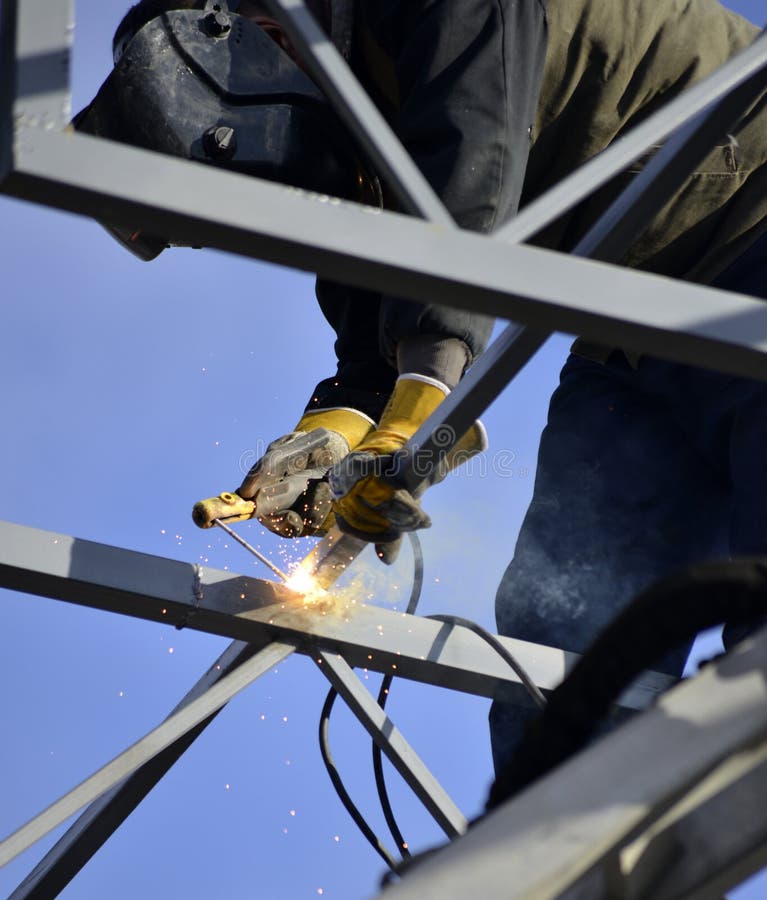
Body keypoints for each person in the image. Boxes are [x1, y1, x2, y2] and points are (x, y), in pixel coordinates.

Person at [117, 0, 767, 773]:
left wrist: (426, 390)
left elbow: (473, 146)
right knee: (557, 650)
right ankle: (549, 849)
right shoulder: (353, 101)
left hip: (749, 234)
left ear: (265, 34)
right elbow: (375, 283)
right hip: (631, 332)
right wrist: (338, 426)